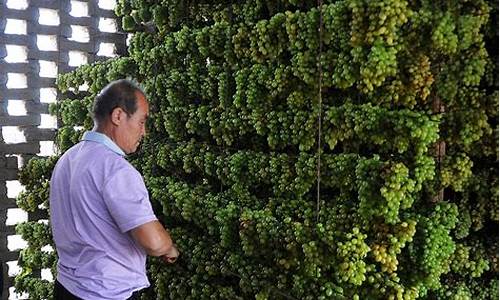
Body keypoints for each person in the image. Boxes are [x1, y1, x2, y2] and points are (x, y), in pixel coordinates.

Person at [49, 79, 179, 300]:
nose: (144, 132)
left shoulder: (68, 158)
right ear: (118, 116)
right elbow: (154, 242)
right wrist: (169, 248)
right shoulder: (116, 170)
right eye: (141, 122)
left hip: (67, 288)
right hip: (106, 293)